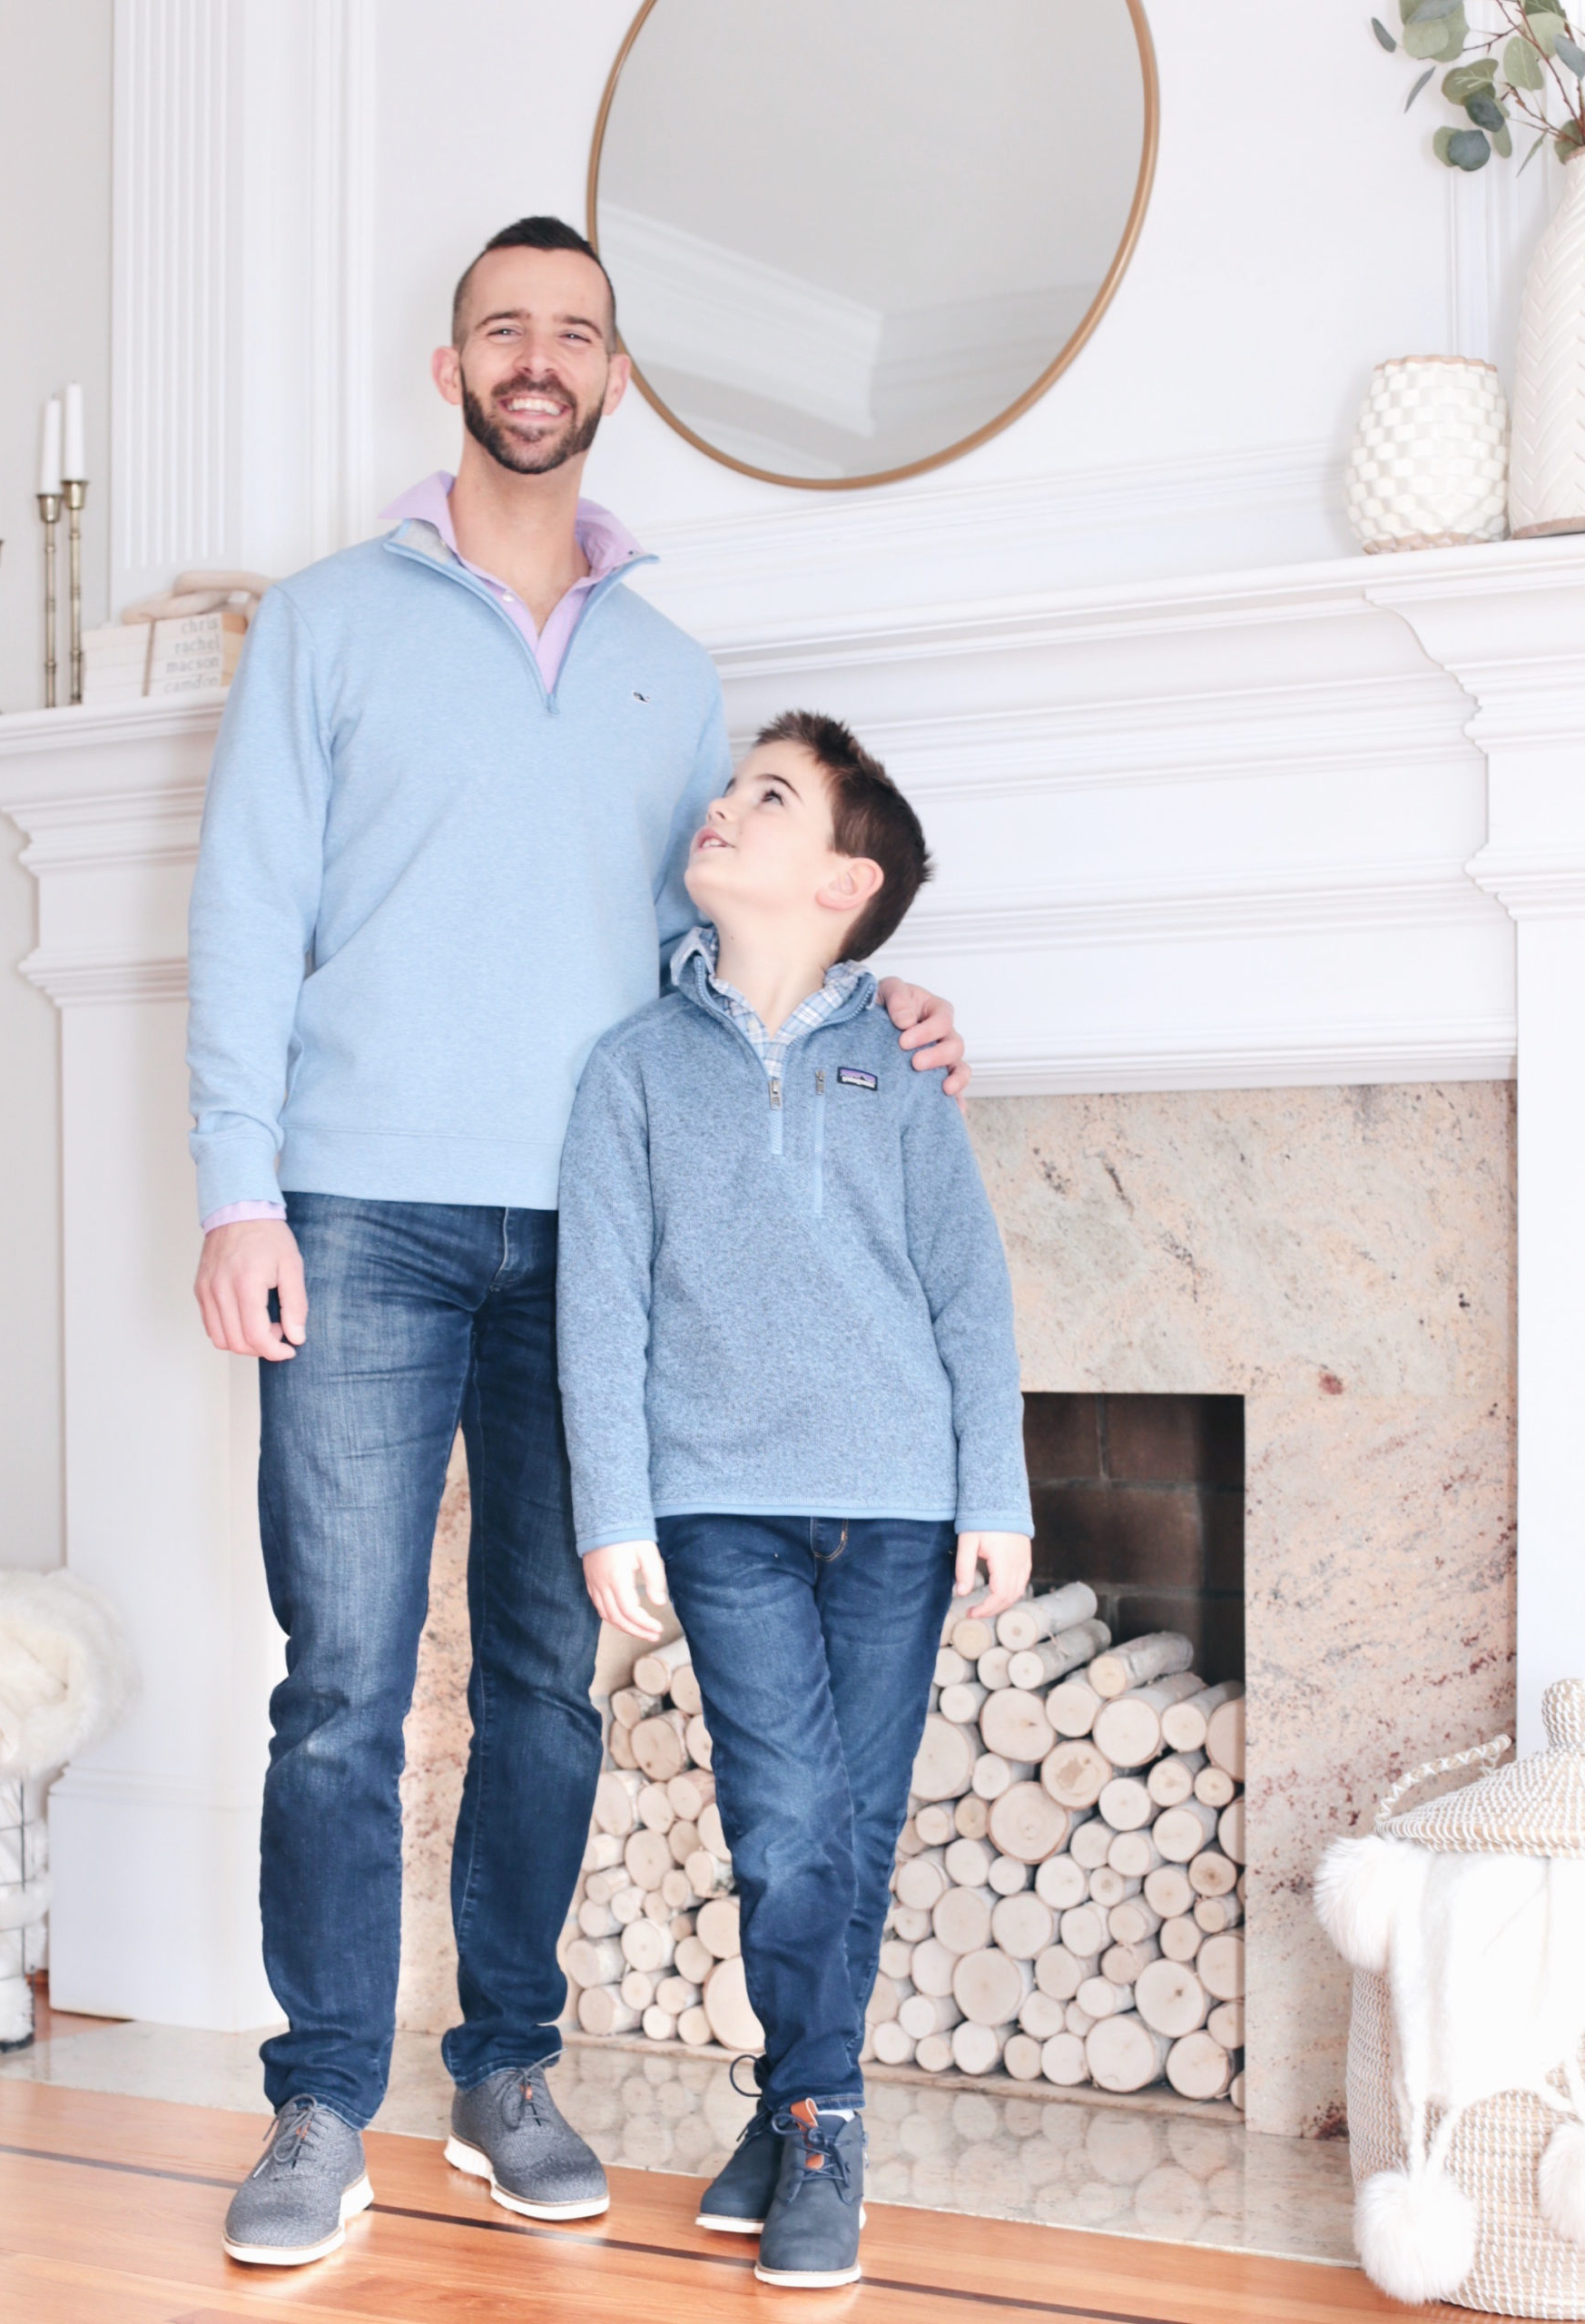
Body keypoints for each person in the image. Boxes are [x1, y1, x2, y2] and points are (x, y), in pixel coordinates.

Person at [187, 218, 970, 2268]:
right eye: (504, 329)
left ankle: (505, 2069)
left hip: (605, 1235)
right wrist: (235, 1188)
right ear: (450, 365)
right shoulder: (326, 622)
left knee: (549, 1671)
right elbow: (248, 911)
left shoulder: (674, 674)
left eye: (577, 334)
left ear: (611, 377)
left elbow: (712, 942)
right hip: (356, 1205)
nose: (539, 359)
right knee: (344, 1679)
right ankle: (316, 2099)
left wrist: (878, 1000)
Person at [556, 711, 1033, 2291]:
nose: (721, 804)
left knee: (858, 1824)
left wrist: (995, 1488)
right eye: (730, 783)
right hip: (722, 1510)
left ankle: (791, 2106)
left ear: (844, 881)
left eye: (766, 795)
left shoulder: (896, 1061)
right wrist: (612, 1508)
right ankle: (832, 2117)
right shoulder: (631, 1069)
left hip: (897, 1503)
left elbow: (967, 1291)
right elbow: (601, 1304)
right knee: (783, 1821)